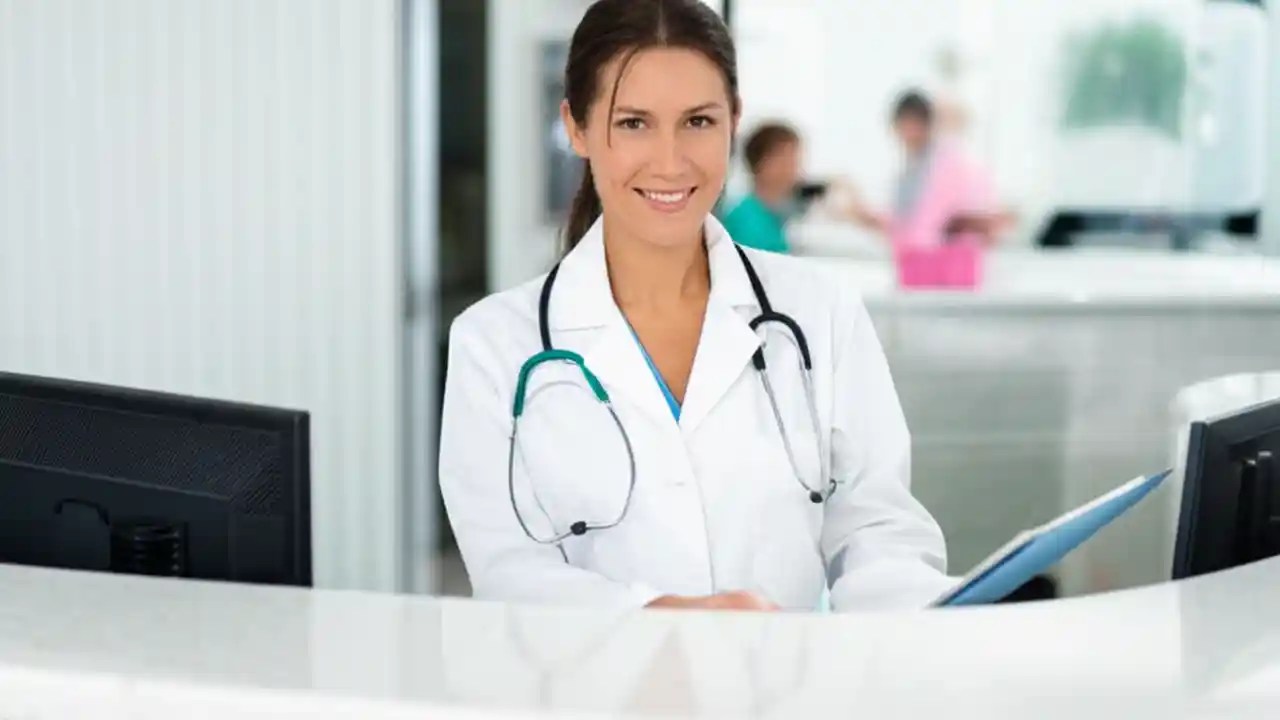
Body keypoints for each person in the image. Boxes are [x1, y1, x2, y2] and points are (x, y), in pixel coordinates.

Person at [438, 0, 952, 613]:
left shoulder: (821, 312)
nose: (670, 161)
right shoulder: (494, 345)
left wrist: (931, 610)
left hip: (785, 674)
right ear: (576, 127)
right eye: (634, 123)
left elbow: (877, 532)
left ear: (734, 122)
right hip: (595, 676)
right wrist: (662, 619)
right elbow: (508, 572)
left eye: (699, 121)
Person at [718, 123, 803, 254]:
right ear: (760, 163)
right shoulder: (746, 220)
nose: (792, 168)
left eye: (794, 159)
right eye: (784, 160)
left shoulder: (772, 213)